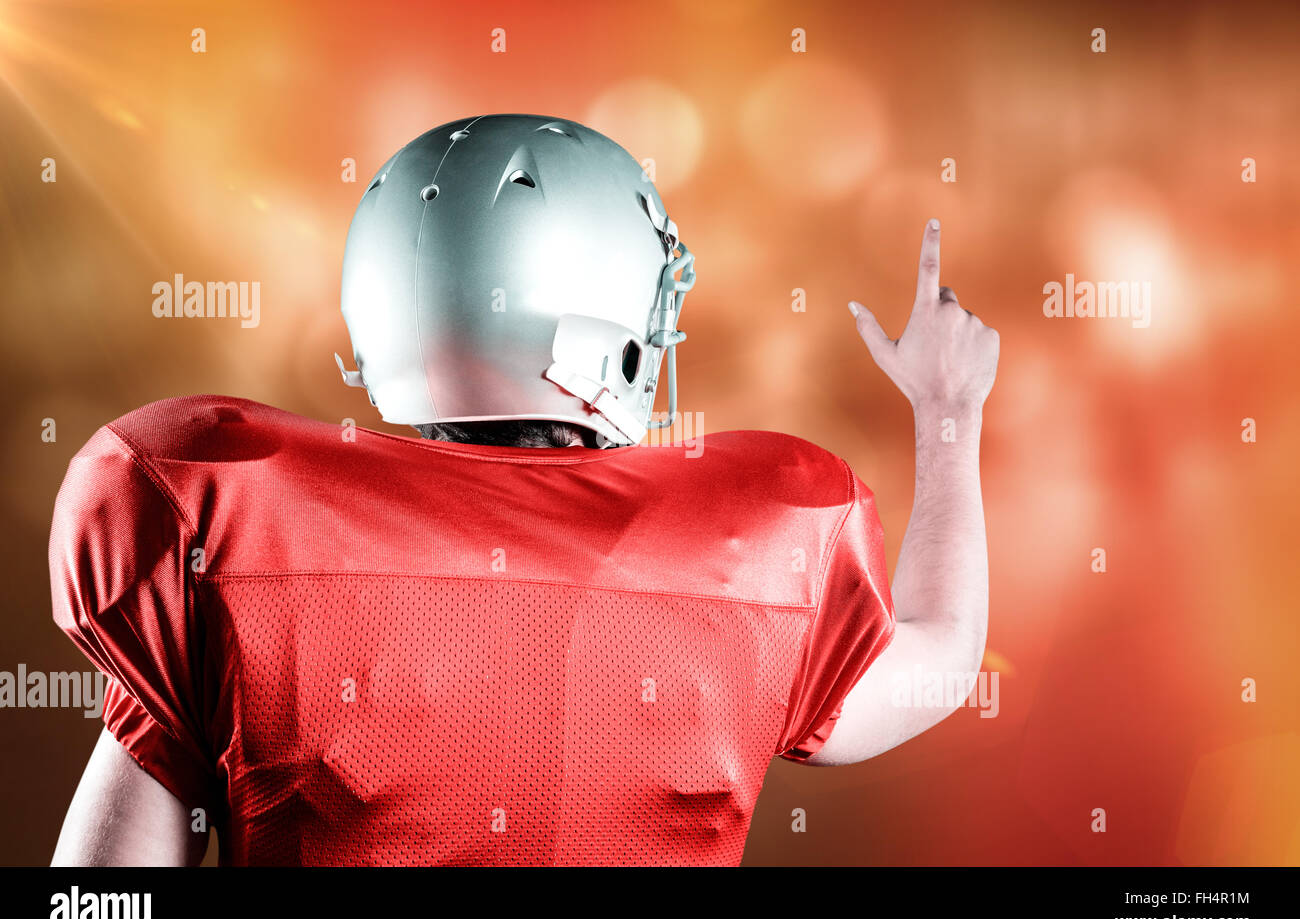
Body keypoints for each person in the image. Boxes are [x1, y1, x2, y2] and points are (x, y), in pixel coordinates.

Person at [48, 115, 998, 866]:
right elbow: (944, 658)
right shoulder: (760, 542)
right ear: (608, 316)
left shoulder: (213, 512)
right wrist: (948, 411)